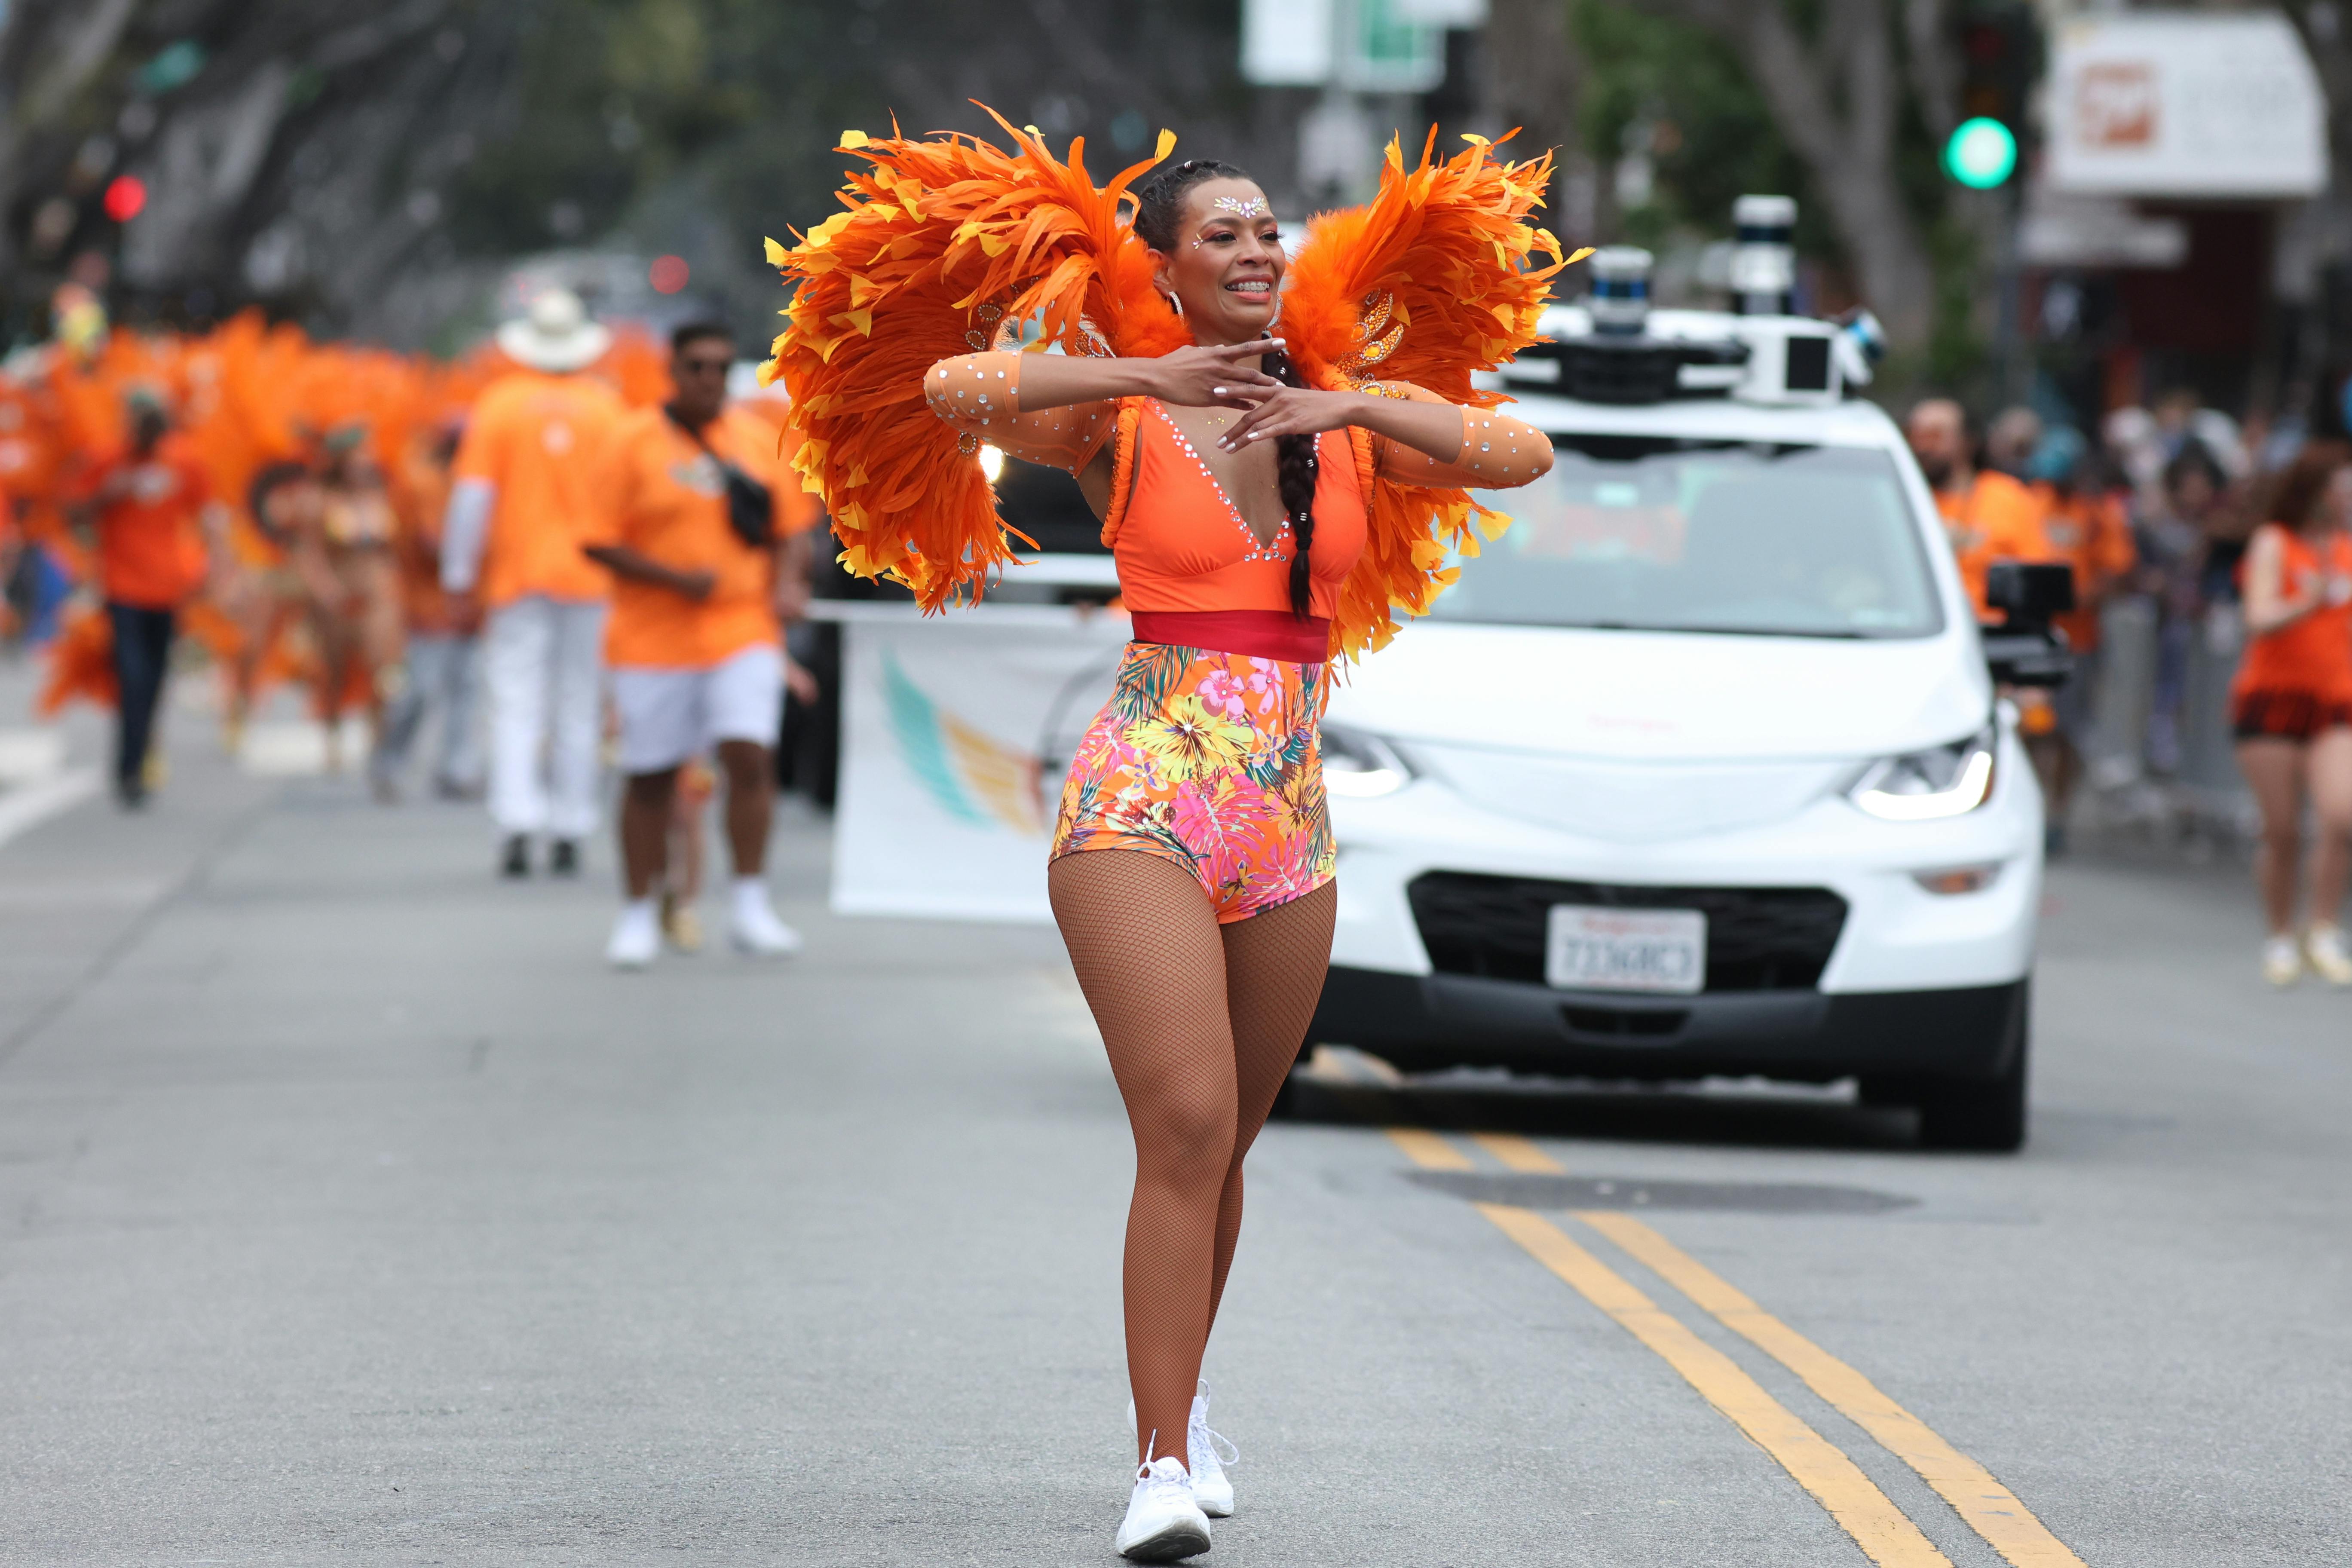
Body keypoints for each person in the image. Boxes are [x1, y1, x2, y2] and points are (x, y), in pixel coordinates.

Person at [769, 119, 1566, 1561]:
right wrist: (1143, 370)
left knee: (1228, 1141)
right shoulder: (1116, 414)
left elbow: (1525, 449)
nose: (1257, 249)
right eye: (1224, 233)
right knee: (1185, 1122)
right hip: (1143, 797)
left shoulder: (1348, 415)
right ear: (1171, 269)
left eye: (1271, 231)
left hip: (1288, 820)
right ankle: (1154, 1466)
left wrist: (1357, 411)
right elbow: (957, 387)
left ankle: (1189, 1407)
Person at [582, 319, 813, 966]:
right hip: (652, 638)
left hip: (742, 630)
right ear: (673, 371)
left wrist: (789, 585)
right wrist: (673, 579)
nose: (710, 379)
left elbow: (792, 528)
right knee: (651, 774)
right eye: (696, 368)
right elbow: (596, 538)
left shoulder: (755, 439)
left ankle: (750, 904)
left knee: (749, 756)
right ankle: (637, 912)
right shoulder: (630, 442)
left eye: (720, 366)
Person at [441, 289, 625, 877]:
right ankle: (571, 823)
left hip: (516, 576)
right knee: (578, 703)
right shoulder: (607, 408)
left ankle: (518, 819)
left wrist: (458, 575)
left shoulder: (499, 405)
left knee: (516, 702)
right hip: (590, 578)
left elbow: (472, 499)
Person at [2230, 441, 2352, 986]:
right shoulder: (2275, 542)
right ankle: (2280, 935)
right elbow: (2258, 616)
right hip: (2275, 699)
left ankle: (2321, 927)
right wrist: (2309, 601)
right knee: (2282, 830)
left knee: (2342, 814)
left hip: (2337, 700)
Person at [77, 389, 217, 807]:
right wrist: (109, 492)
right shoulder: (107, 459)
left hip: (168, 589)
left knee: (155, 680)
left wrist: (211, 568)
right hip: (123, 589)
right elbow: (77, 512)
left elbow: (206, 514)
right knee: (132, 677)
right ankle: (130, 768)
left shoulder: (184, 460)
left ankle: (143, 753)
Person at [2025, 428, 2138, 850]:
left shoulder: (2098, 511)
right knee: (2034, 728)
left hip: (2079, 640)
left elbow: (2119, 568)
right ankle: (2032, 804)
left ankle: (2058, 810)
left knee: (2069, 730)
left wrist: (2085, 596)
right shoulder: (2030, 501)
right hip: (2032, 636)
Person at [374, 417, 486, 800]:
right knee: (420, 690)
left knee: (467, 692)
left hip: (472, 608)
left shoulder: (478, 482)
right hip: (430, 607)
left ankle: (457, 769)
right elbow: (427, 541)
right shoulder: (424, 482)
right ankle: (390, 763)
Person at [290, 423, 405, 781]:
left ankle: (381, 743)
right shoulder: (318, 500)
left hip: (377, 594)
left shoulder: (381, 496)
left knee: (383, 670)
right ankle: (333, 736)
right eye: (356, 457)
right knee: (335, 670)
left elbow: (396, 549)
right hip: (339, 597)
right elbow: (310, 555)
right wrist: (328, 593)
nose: (364, 464)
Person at [1905, 398, 2054, 619]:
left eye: (1935, 436)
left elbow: (2037, 582)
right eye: (1915, 436)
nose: (1923, 447)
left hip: (1993, 639)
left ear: (1968, 441)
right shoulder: (1898, 499)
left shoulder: (2009, 498)